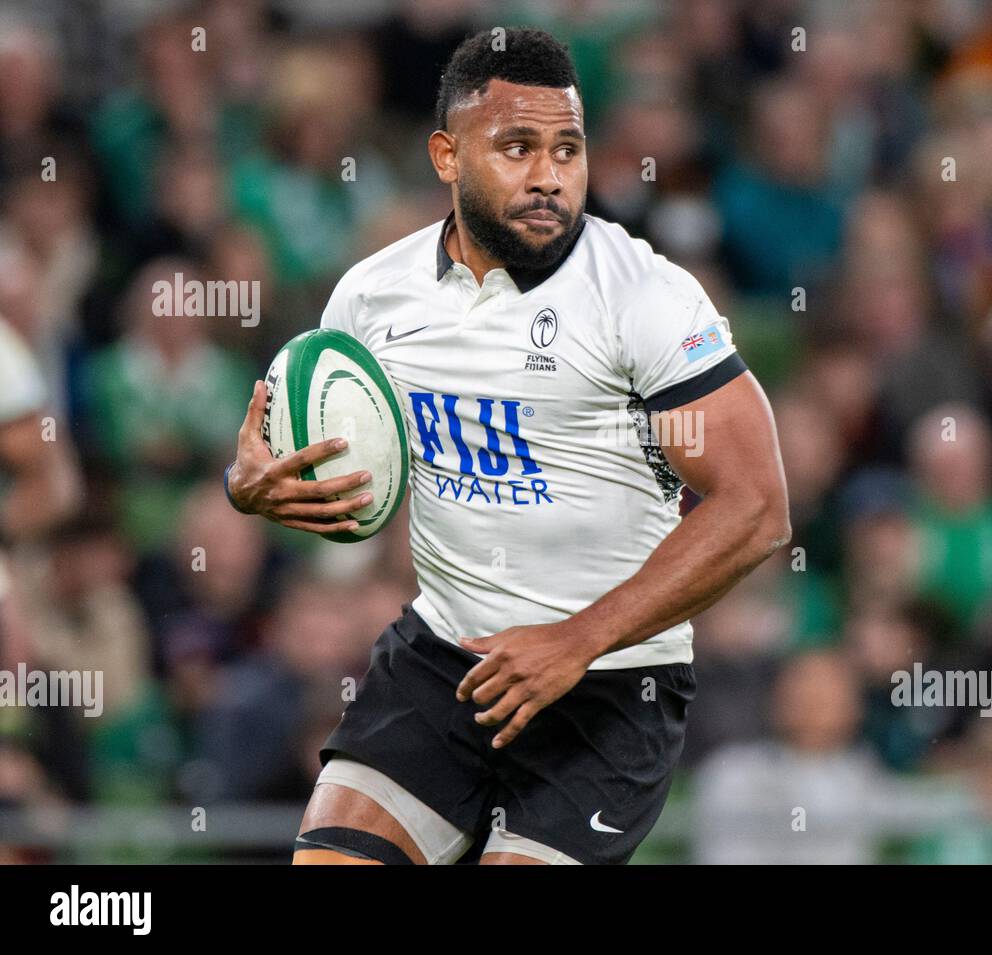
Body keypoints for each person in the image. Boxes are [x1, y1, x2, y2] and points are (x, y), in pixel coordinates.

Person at [224, 27, 790, 865]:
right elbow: (319, 452)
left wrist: (576, 639)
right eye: (517, 147)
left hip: (610, 684)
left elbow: (759, 508)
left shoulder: (647, 298)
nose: (549, 175)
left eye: (568, 148)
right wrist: (252, 485)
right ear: (447, 156)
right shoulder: (372, 296)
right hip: (442, 657)